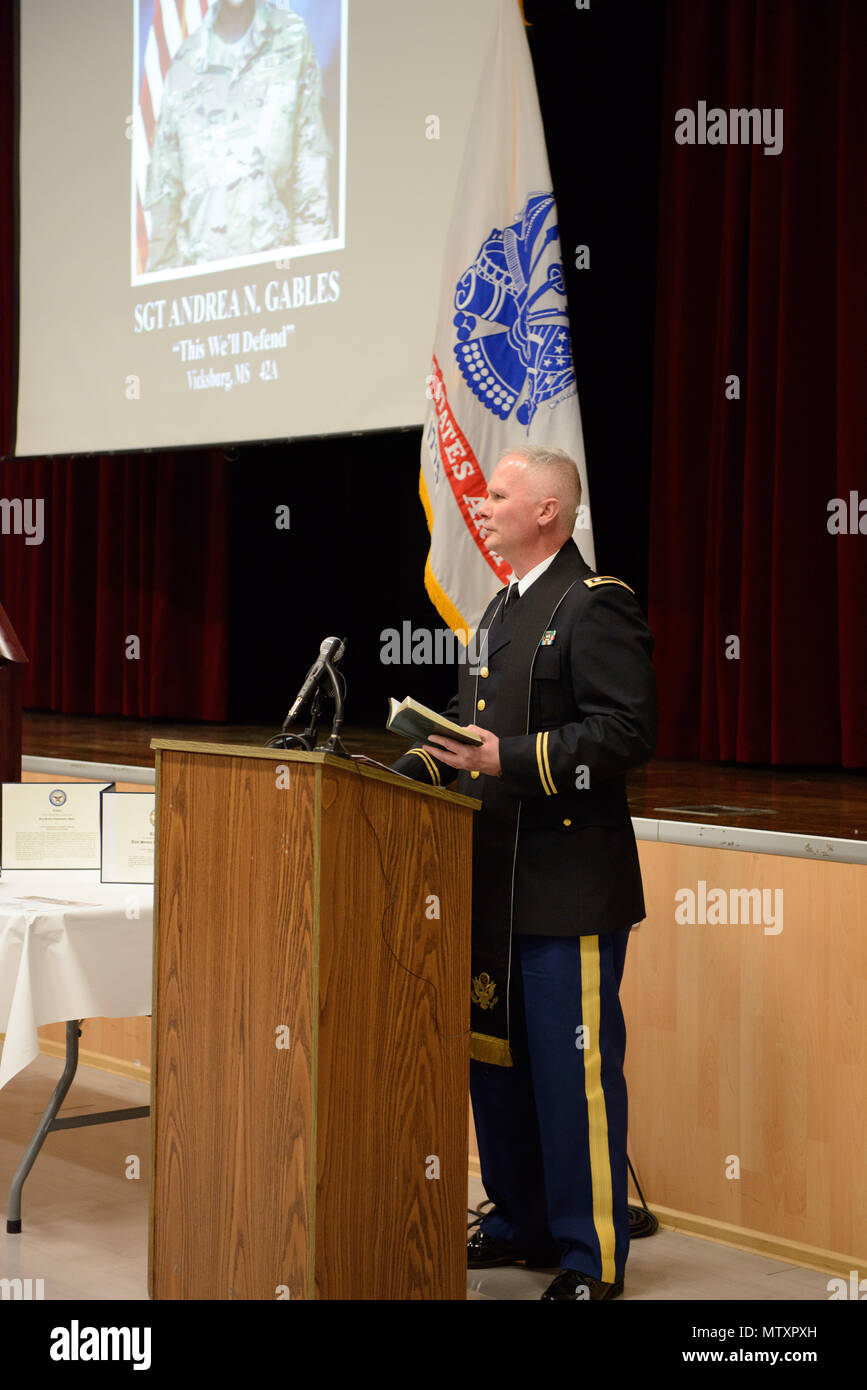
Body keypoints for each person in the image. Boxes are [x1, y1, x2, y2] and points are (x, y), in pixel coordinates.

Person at [390, 445, 656, 1300]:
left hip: (566, 888)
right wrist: (414, 765)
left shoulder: (593, 605)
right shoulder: (501, 609)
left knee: (571, 1080)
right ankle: (518, 1221)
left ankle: (590, 1258)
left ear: (547, 510)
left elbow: (625, 733)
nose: (483, 500)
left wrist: (512, 757)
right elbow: (477, 746)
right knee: (496, 1068)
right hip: (492, 883)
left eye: (497, 491)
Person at [144, 0, 333, 272]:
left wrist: (314, 277)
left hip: (278, 288)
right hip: (200, 298)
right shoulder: (184, 66)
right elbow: (165, 202)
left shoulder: (291, 39)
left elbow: (311, 177)